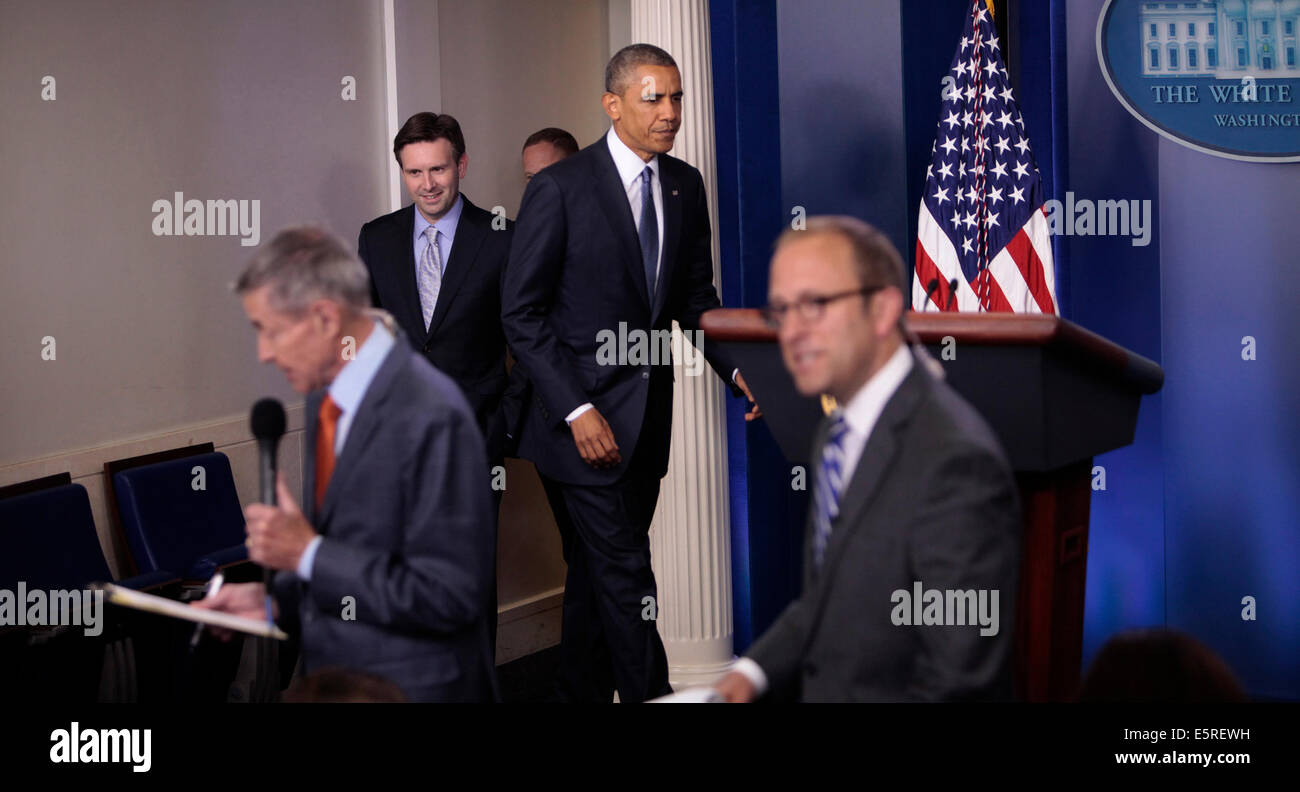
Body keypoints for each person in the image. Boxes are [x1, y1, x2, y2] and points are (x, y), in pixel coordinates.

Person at [503, 43, 760, 703]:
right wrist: (576, 410)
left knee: (596, 579)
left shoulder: (684, 184)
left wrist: (738, 374)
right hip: (578, 428)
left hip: (648, 427)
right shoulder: (560, 188)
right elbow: (522, 315)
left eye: (676, 97)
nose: (669, 112)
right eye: (653, 97)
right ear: (612, 103)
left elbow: (694, 303)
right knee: (627, 579)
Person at [715, 216, 1020, 702]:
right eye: (781, 311)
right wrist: (748, 674)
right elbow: (830, 596)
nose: (791, 332)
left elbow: (957, 684)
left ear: (881, 310)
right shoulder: (836, 432)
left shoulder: (955, 461)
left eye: (815, 305)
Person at [196, 227, 498, 703]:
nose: (264, 354)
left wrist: (306, 553)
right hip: (332, 681)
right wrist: (277, 601)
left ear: (322, 318)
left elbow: (449, 596)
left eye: (269, 331)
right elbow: (351, 552)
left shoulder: (432, 414)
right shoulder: (324, 398)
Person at [358, 112, 520, 467]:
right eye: (414, 172)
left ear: (461, 165)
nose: (427, 184)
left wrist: (505, 424)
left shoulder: (503, 238)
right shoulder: (377, 238)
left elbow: (529, 339)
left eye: (438, 169)